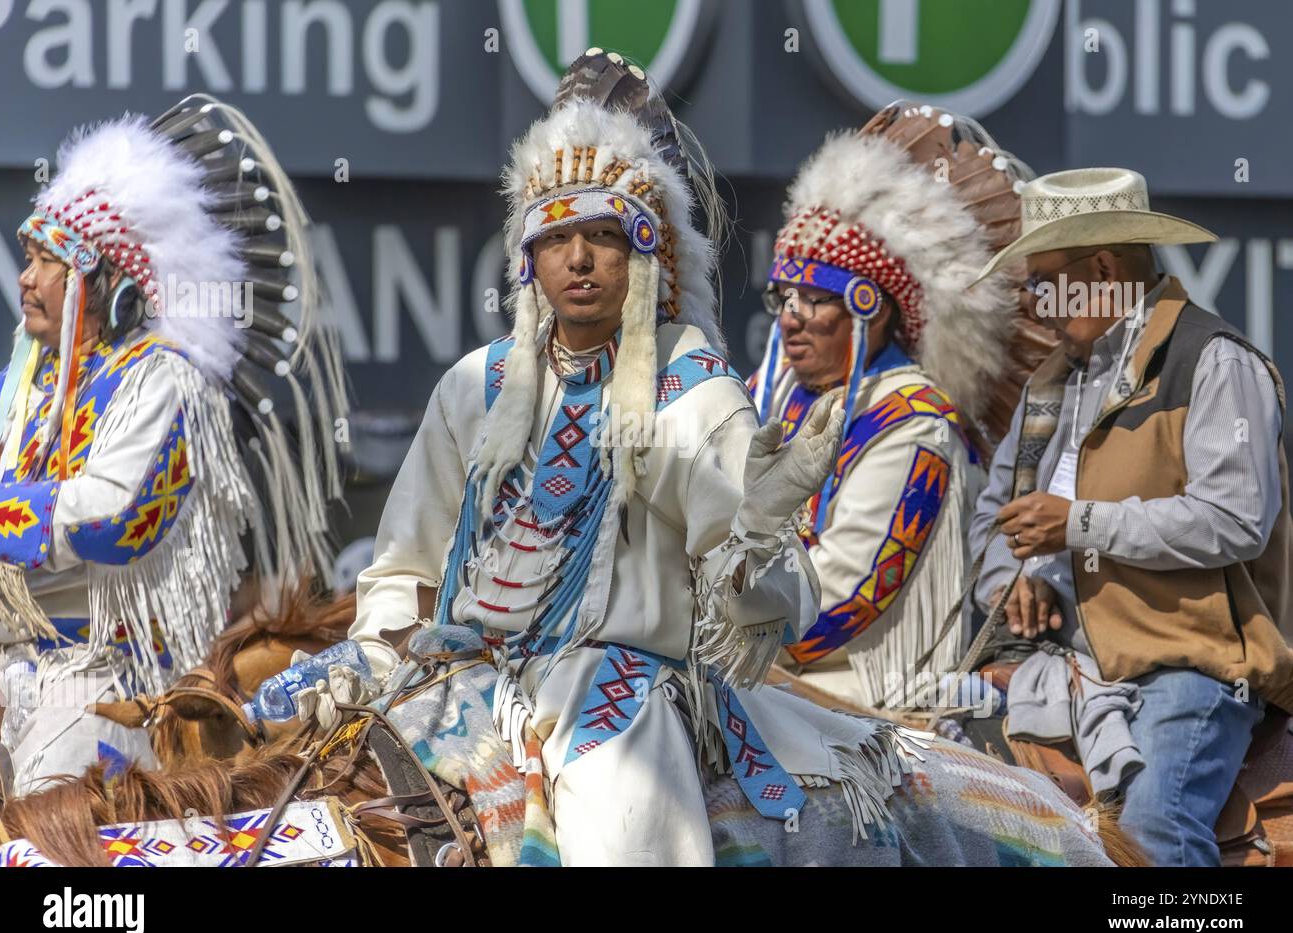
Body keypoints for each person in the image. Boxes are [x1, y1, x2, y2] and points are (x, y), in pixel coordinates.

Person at [342, 51, 963, 866]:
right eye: (557, 236)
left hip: (619, 692)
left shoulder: (692, 383)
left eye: (606, 235)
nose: (581, 257)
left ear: (648, 257)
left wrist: (759, 529)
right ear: (528, 258)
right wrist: (375, 655)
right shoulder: (473, 385)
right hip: (459, 678)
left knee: (617, 786)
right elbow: (401, 564)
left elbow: (778, 598)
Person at [0, 97, 347, 794]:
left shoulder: (168, 382)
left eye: (46, 261)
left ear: (105, 282)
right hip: (7, 668)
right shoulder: (17, 386)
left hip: (103, 685)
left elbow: (114, 520)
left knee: (52, 838)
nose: (26, 278)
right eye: (27, 257)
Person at [970, 166, 1293, 866]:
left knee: (1154, 829)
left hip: (1191, 668)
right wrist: (1008, 575)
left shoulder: (1215, 361)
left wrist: (1076, 524)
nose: (1035, 303)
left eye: (1042, 281)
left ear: (1103, 268)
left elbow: (1235, 518)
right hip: (1061, 666)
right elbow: (996, 512)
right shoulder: (1051, 382)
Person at [750, 103, 1032, 709]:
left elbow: (836, 602)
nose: (791, 318)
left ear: (871, 309)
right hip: (756, 673)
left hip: (857, 701)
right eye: (785, 295)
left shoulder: (915, 424)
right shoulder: (768, 394)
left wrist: (702, 620)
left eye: (816, 298)